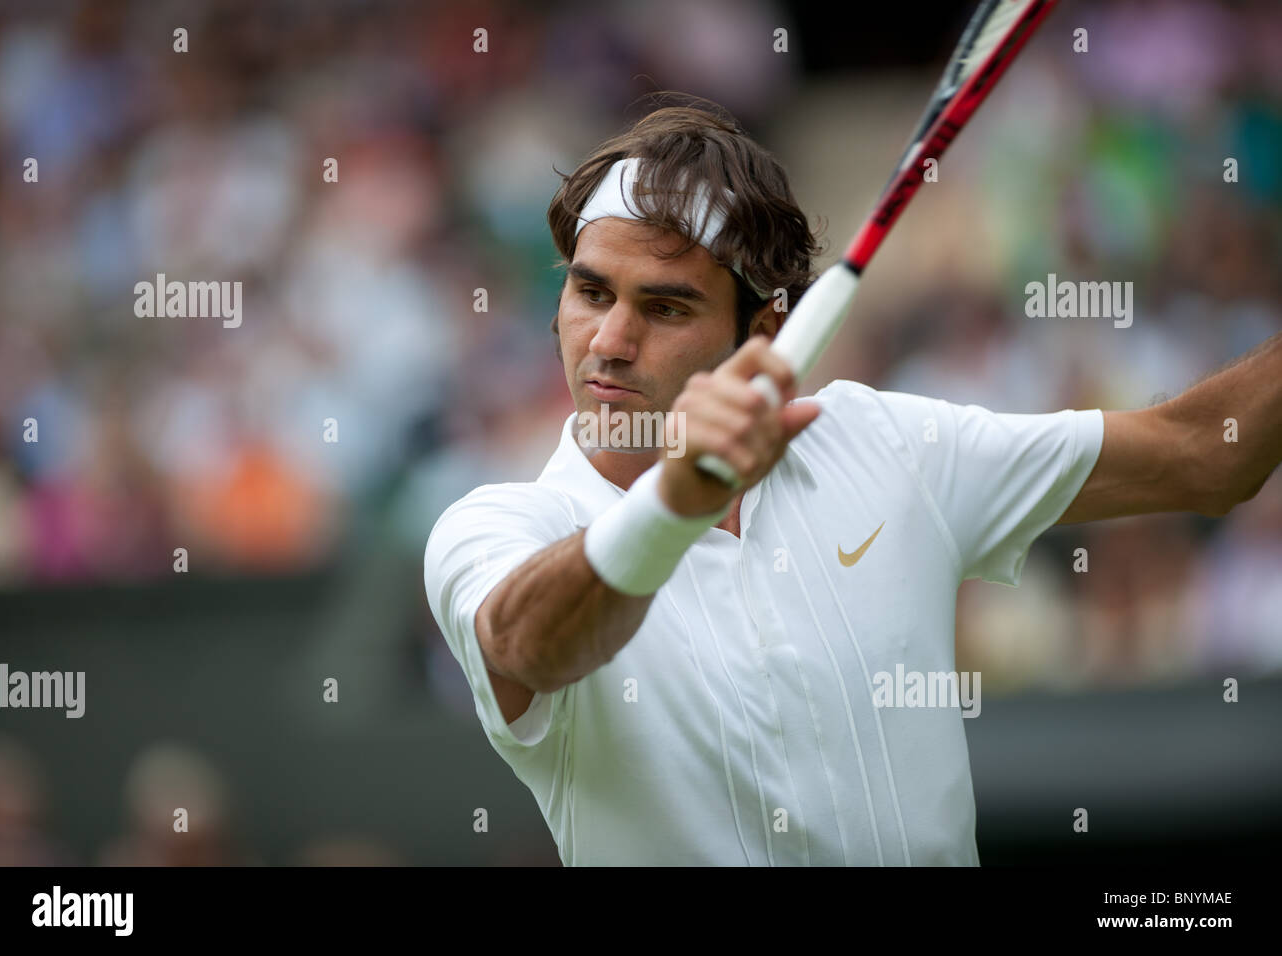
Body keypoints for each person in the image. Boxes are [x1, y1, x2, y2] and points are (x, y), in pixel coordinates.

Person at [424, 99, 1281, 865]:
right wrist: (675, 502)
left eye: (666, 307)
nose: (608, 339)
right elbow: (527, 644)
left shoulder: (884, 444)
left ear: (762, 329)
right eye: (589, 291)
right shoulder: (494, 525)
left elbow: (1208, 453)